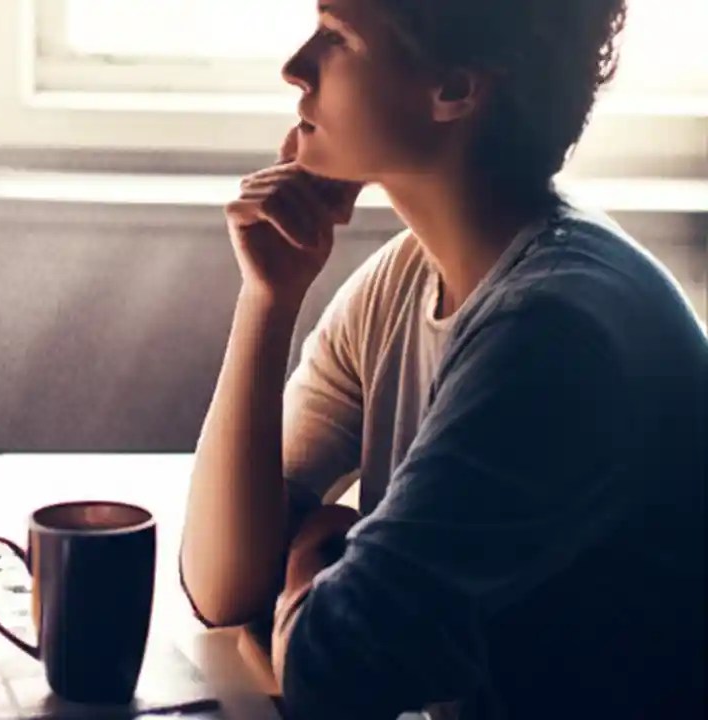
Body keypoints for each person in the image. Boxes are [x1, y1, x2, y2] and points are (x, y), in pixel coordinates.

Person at [178, 0, 707, 717]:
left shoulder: (552, 334)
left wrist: (316, 546)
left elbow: (333, 671)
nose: (295, 68)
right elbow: (222, 588)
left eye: (336, 37)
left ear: (455, 89)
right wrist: (268, 299)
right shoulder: (407, 278)